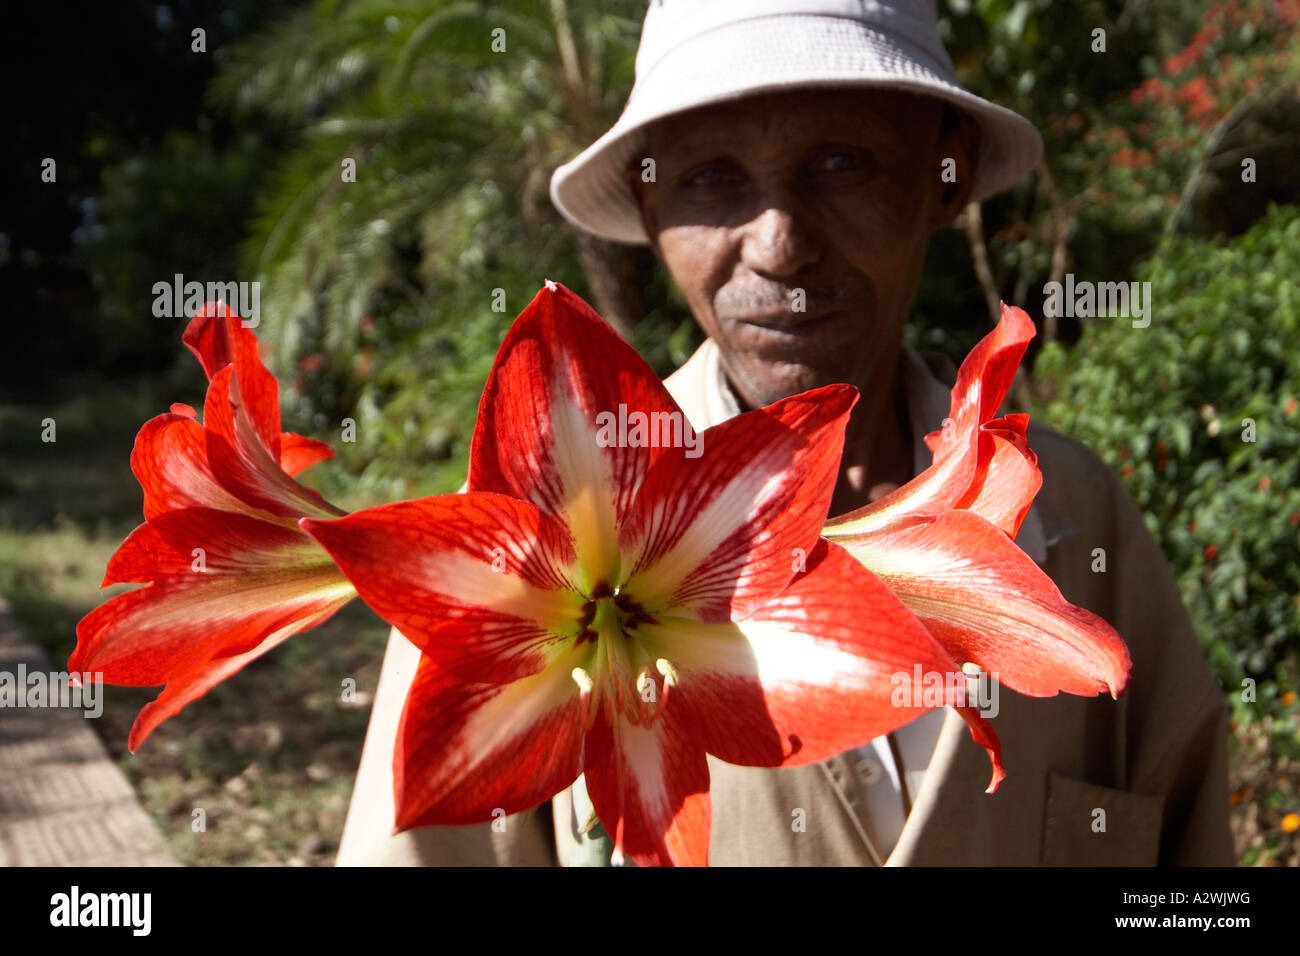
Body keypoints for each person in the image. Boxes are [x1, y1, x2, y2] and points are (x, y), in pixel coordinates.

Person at [335, 0, 1233, 865]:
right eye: (711, 177)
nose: (780, 247)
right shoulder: (489, 552)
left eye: (842, 160)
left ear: (945, 176)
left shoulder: (1081, 514)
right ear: (650, 209)